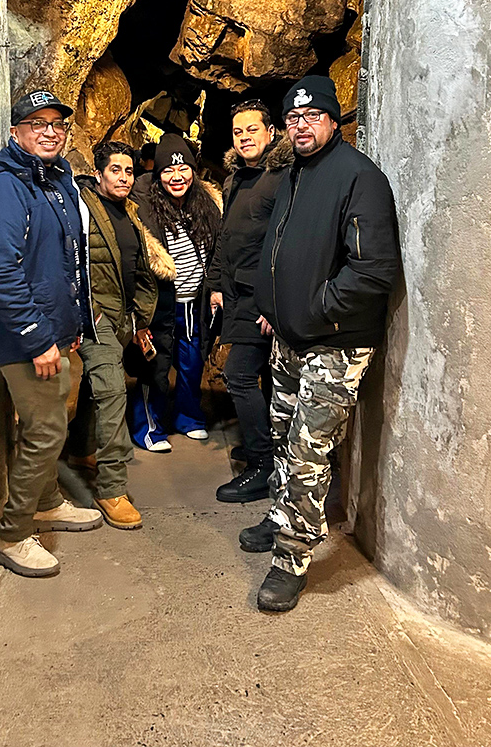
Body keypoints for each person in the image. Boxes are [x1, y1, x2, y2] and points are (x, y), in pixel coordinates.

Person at [246, 75, 400, 614]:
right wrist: (276, 306)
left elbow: (373, 271)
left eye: (312, 116)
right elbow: (281, 248)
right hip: (289, 338)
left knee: (309, 450)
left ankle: (291, 558)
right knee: (282, 435)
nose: (302, 125)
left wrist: (312, 309)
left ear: (334, 120)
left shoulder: (360, 178)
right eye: (293, 118)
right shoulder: (294, 173)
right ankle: (280, 516)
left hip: (333, 347)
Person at [0, 89, 102, 579]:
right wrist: (37, 338)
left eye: (57, 123)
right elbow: (1, 271)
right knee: (45, 431)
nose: (50, 131)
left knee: (50, 426)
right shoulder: (4, 186)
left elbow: (65, 261)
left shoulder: (54, 180)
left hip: (56, 333)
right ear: (15, 132)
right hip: (28, 340)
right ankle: (13, 534)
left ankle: (47, 503)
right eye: (37, 123)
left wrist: (69, 329)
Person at [68, 141, 158, 530]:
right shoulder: (83, 209)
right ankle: (111, 487)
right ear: (100, 173)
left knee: (96, 387)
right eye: (115, 170)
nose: (122, 177)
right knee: (112, 392)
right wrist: (82, 311)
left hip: (121, 317)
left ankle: (80, 447)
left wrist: (138, 320)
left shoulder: (130, 214)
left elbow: (137, 271)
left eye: (128, 171)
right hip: (95, 315)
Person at [208, 100, 286, 503]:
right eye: (238, 132)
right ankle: (268, 448)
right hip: (237, 292)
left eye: (252, 130)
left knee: (239, 375)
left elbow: (284, 246)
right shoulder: (237, 177)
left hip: (263, 297)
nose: (244, 138)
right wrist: (217, 283)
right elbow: (227, 235)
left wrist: (270, 303)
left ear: (271, 132)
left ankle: (262, 465)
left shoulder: (284, 177)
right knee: (263, 378)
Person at [130, 133, 221, 451]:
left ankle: (189, 418)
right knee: (154, 366)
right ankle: (149, 428)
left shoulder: (206, 205)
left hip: (193, 301)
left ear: (193, 171)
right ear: (158, 174)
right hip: (162, 302)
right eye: (168, 170)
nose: (176, 176)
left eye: (183, 169)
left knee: (192, 361)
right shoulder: (145, 204)